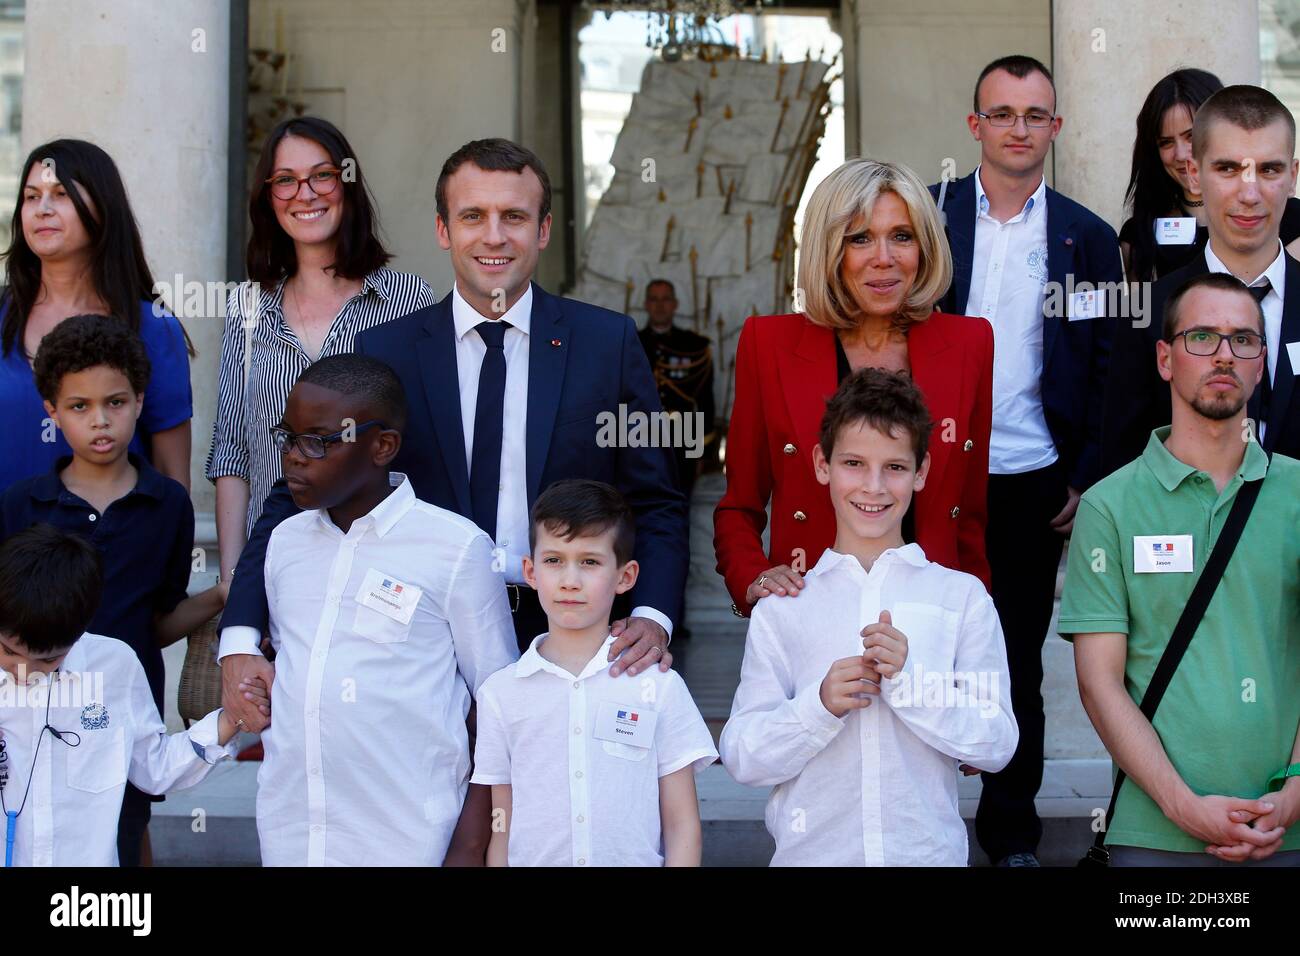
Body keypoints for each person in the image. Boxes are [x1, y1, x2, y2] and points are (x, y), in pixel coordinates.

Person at [219, 137, 685, 746]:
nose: (494, 236)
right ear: (443, 230)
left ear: (543, 231)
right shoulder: (383, 351)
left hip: (571, 630)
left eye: (513, 216)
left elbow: (656, 502)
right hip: (415, 646)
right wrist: (239, 636)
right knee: (435, 832)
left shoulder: (608, 344)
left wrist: (651, 616)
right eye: (473, 216)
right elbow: (297, 493)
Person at [929, 54, 1122, 866]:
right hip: (927, 473)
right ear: (975, 125)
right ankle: (921, 823)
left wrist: (1087, 475)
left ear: (1055, 127)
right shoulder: (925, 216)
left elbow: (1112, 362)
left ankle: (1010, 836)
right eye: (1001, 113)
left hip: (1033, 480)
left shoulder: (1088, 238)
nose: (1018, 128)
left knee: (1012, 661)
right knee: (916, 647)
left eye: (1033, 114)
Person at [720, 368, 1017, 866]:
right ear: (822, 465)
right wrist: (818, 705)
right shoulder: (784, 607)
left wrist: (912, 684)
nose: (874, 487)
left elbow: (998, 743)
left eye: (895, 467)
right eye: (854, 463)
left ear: (921, 471)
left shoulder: (961, 597)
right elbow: (743, 757)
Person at [1061, 272, 1300, 866]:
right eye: (1202, 338)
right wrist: (1182, 805)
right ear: (1165, 359)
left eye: (1243, 339)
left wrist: (1295, 793)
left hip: (1287, 830)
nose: (1224, 354)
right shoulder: (1108, 505)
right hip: (1153, 834)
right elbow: (1099, 681)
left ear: (1261, 361)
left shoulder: (1298, 493)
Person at [248, 354, 517, 865]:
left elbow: (501, 707)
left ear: (382, 446)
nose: (295, 458)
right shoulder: (285, 543)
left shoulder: (456, 548)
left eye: (318, 441)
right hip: (293, 835)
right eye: (288, 437)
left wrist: (473, 841)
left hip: (410, 839)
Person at [715, 158, 994, 631]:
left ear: (924, 247)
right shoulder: (769, 344)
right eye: (859, 238)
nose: (883, 257)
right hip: (808, 610)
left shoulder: (971, 344)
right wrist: (754, 579)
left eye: (902, 236)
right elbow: (739, 507)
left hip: (932, 616)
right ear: (829, 250)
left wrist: (976, 614)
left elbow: (968, 514)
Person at [0, 315, 227, 866]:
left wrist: (221, 596)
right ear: (51, 410)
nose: (100, 421)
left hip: (121, 719)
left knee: (117, 847)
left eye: (116, 403)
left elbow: (160, 619)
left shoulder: (168, 506)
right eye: (79, 407)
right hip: (26, 717)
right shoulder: (21, 505)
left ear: (141, 400)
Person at [206, 116, 434, 583]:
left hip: (379, 568)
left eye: (322, 176)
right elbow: (232, 453)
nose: (305, 194)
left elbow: (425, 445)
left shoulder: (408, 298)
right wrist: (233, 576)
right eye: (285, 181)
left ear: (346, 184)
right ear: (268, 198)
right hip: (274, 565)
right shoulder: (246, 306)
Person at [473, 479, 717, 866]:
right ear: (531, 572)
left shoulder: (657, 686)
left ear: (626, 576)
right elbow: (501, 820)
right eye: (554, 560)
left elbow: (682, 823)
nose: (570, 580)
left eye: (590, 561)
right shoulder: (501, 694)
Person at [0, 524, 240, 867]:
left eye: (49, 659)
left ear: (80, 631)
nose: (25, 668)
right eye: (8, 652)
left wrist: (230, 720)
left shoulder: (115, 666)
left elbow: (154, 768)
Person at [1103, 85, 1300, 476]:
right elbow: (1124, 466)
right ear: (1194, 173)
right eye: (1227, 168)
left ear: (1293, 176)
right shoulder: (1147, 314)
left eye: (1269, 169)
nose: (1249, 193)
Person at [0, 139, 193, 494]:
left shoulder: (152, 327)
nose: (42, 208)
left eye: (60, 194)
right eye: (31, 196)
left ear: (103, 207)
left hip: (110, 545)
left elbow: (171, 476)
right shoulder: (2, 316)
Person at [1120, 69, 1300, 284]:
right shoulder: (1141, 234)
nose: (1180, 154)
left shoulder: (1293, 219)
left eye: (1191, 137)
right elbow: (1145, 313)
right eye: (1166, 142)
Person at [638, 278, 716, 499]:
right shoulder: (632, 342)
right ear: (645, 304)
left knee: (679, 509)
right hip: (638, 443)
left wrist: (702, 451)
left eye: (665, 299)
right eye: (654, 299)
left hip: (682, 446)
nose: (660, 305)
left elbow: (705, 402)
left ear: (675, 304)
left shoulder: (694, 346)